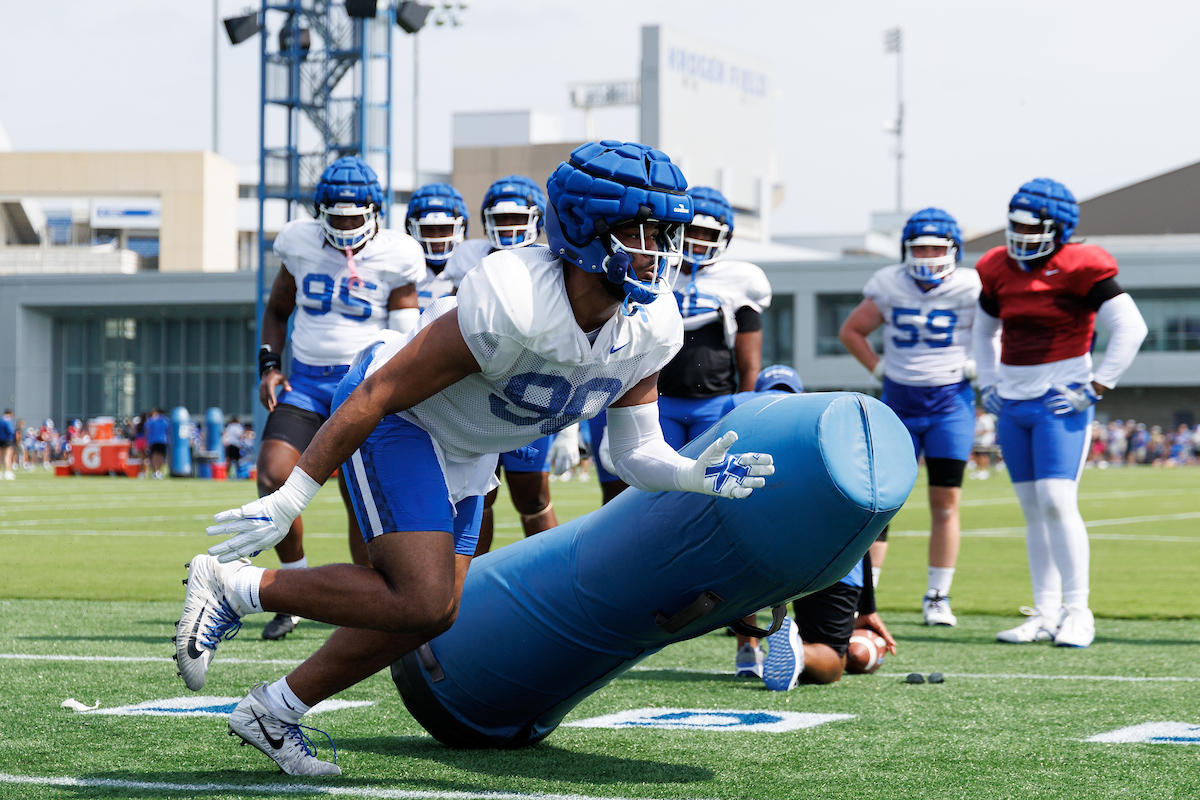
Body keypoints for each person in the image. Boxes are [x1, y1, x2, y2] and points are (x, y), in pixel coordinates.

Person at [174, 140, 774, 776]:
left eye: (666, 232)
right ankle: (234, 587)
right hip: (404, 420)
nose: (660, 249)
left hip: (474, 444)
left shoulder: (651, 326)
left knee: (436, 612)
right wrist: (292, 497)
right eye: (640, 230)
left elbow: (635, 450)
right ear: (584, 228)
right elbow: (379, 392)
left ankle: (276, 708)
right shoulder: (516, 298)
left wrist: (687, 472)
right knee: (421, 598)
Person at [254, 156, 425, 641]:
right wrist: (269, 367)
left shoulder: (396, 255)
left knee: (360, 501)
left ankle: (367, 605)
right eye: (338, 217)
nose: (347, 227)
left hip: (363, 389)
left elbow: (404, 336)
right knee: (272, 475)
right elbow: (277, 309)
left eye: (356, 217)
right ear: (319, 214)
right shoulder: (300, 244)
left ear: (374, 213)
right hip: (306, 384)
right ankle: (294, 594)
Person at [973, 178, 1147, 648]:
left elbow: (1131, 327)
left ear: (1060, 228)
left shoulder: (1082, 264)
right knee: (1032, 509)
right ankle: (1046, 611)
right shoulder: (995, 266)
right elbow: (984, 331)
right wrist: (987, 382)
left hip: (1058, 398)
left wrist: (1096, 385)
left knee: (1055, 499)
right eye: (1015, 226)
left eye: (1031, 228)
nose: (1020, 236)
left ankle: (1078, 610)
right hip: (1012, 400)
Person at [838, 208, 979, 627]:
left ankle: (938, 594)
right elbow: (852, 330)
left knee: (946, 502)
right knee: (878, 500)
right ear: (906, 250)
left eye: (937, 247)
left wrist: (979, 363)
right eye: (920, 247)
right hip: (899, 400)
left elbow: (1001, 328)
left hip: (951, 403)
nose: (929, 255)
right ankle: (866, 592)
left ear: (955, 249)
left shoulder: (972, 286)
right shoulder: (889, 282)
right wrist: (879, 370)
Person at [435, 176, 564, 552]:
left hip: (533, 391)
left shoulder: (551, 260)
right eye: (501, 220)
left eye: (516, 219)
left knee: (532, 495)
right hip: (479, 390)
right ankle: (469, 587)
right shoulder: (468, 257)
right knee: (477, 495)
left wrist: (570, 430)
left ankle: (550, 583)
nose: (509, 228)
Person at [971, 405, 997, 479]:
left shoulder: (986, 418)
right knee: (976, 455)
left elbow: (989, 429)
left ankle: (984, 471)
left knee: (983, 455)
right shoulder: (975, 418)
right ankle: (978, 471)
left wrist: (978, 432)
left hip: (984, 441)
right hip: (976, 441)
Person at [143, 410, 170, 479]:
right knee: (160, 457)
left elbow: (147, 430)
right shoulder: (165, 420)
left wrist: (147, 441)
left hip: (153, 440)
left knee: (154, 456)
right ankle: (159, 471)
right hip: (162, 440)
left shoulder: (151, 420)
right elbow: (168, 431)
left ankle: (154, 472)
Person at [0, 410, 15, 480]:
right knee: (7, 456)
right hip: (7, 440)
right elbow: (10, 431)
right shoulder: (8, 420)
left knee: (0, 456)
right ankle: (7, 472)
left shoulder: (1, 420)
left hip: (0, 439)